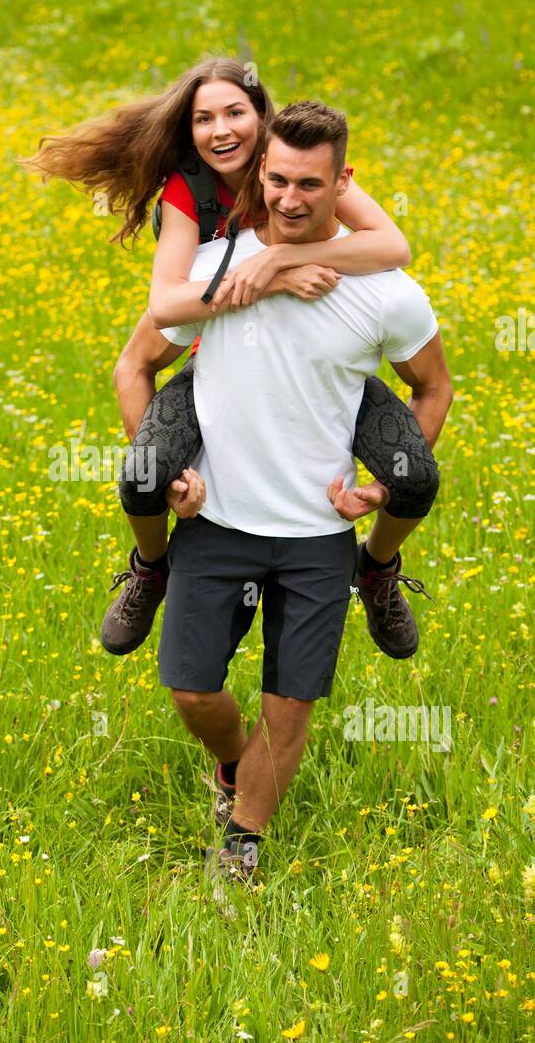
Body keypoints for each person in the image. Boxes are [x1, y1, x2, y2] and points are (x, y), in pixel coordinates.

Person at [23, 58, 439, 670]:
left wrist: (278, 262)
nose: (221, 130)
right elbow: (165, 305)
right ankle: (152, 570)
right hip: (216, 358)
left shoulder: (300, 164)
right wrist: (268, 280)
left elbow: (394, 246)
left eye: (235, 112)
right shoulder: (190, 190)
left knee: (416, 477)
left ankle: (375, 571)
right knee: (142, 474)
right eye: (202, 117)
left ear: (263, 118)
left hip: (321, 368)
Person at [137, 99, 452, 902]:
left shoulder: (384, 290)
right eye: (276, 179)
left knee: (292, 708)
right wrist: (169, 473)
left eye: (310, 184)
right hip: (217, 522)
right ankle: (234, 767)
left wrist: (383, 487)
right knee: (192, 690)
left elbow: (433, 386)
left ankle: (242, 843)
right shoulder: (218, 265)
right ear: (259, 178)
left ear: (341, 181)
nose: (289, 198)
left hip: (317, 535)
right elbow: (138, 357)